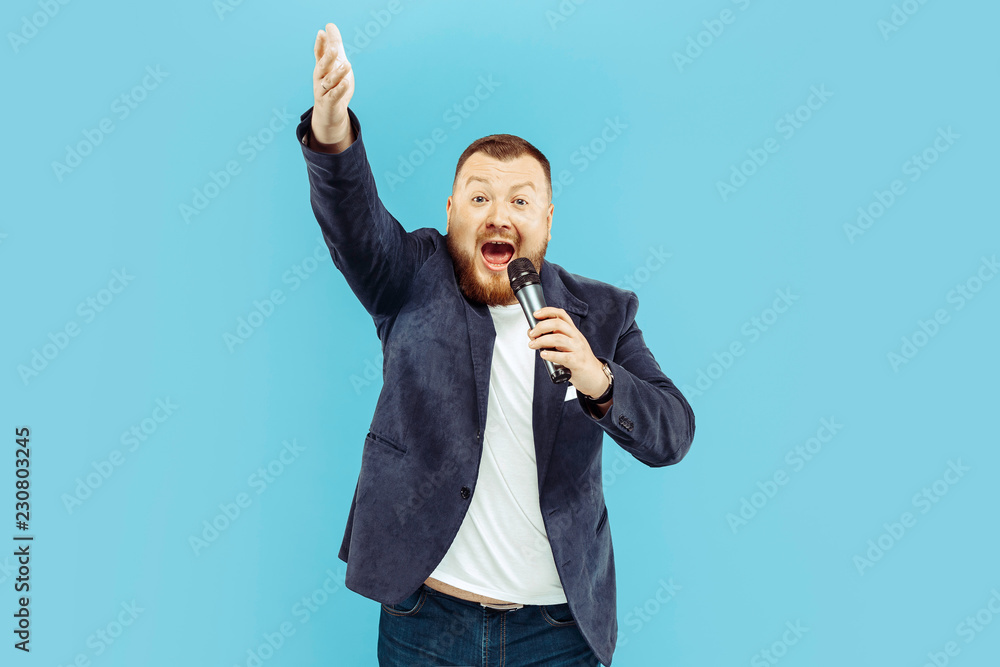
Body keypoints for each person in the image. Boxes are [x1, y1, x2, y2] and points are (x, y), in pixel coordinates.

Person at [297, 22, 696, 667]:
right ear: (453, 208)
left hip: (559, 631)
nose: (498, 213)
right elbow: (352, 219)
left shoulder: (605, 314)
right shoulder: (411, 276)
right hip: (426, 617)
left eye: (519, 199)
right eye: (479, 197)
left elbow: (673, 433)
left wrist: (599, 380)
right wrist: (333, 127)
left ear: (546, 218)